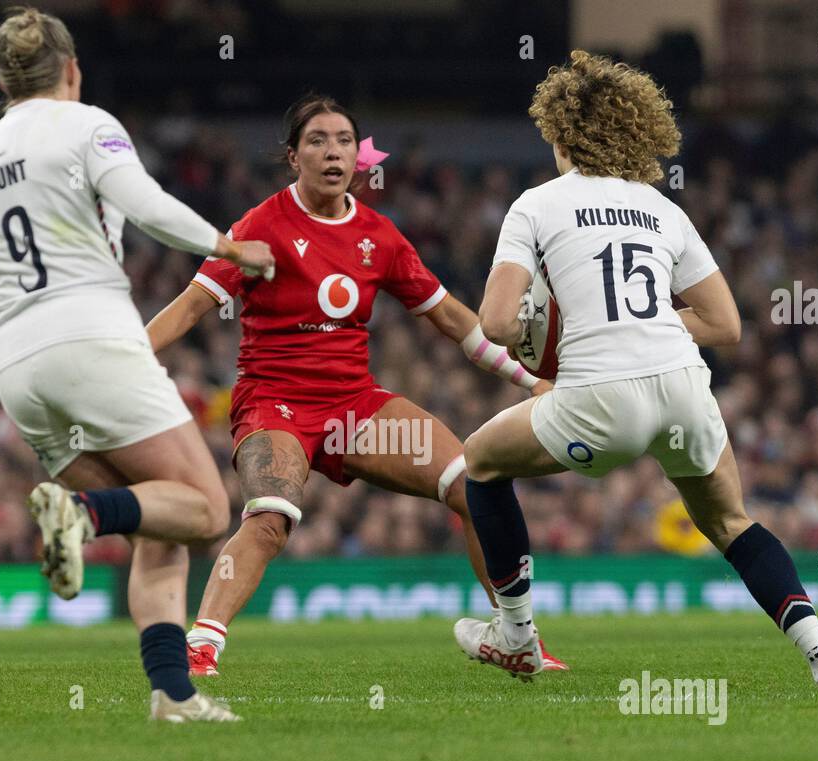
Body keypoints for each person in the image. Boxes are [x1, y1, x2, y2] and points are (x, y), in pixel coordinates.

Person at [457, 52, 818, 690]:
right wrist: (648, 328)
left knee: (479, 464)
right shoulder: (662, 209)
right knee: (731, 522)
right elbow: (726, 325)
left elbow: (496, 323)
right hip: (681, 385)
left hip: (597, 398)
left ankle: (515, 635)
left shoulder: (534, 206)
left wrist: (542, 338)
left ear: (560, 136)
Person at [0, 6, 275, 722]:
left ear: (1, 79)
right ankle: (80, 515)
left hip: (18, 369)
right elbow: (145, 206)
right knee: (209, 509)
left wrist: (18, 315)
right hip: (91, 339)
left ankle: (173, 695)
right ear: (72, 69)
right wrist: (232, 247)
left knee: (164, 521)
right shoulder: (88, 124)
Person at [147, 93, 567, 678]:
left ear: (359, 156)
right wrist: (128, 358)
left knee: (474, 486)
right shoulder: (260, 226)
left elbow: (452, 319)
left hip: (354, 410)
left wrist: (531, 379)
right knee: (271, 515)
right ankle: (201, 645)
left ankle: (516, 636)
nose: (332, 151)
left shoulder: (380, 236)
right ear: (293, 157)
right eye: (317, 140)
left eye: (344, 140)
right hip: (274, 406)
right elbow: (193, 307)